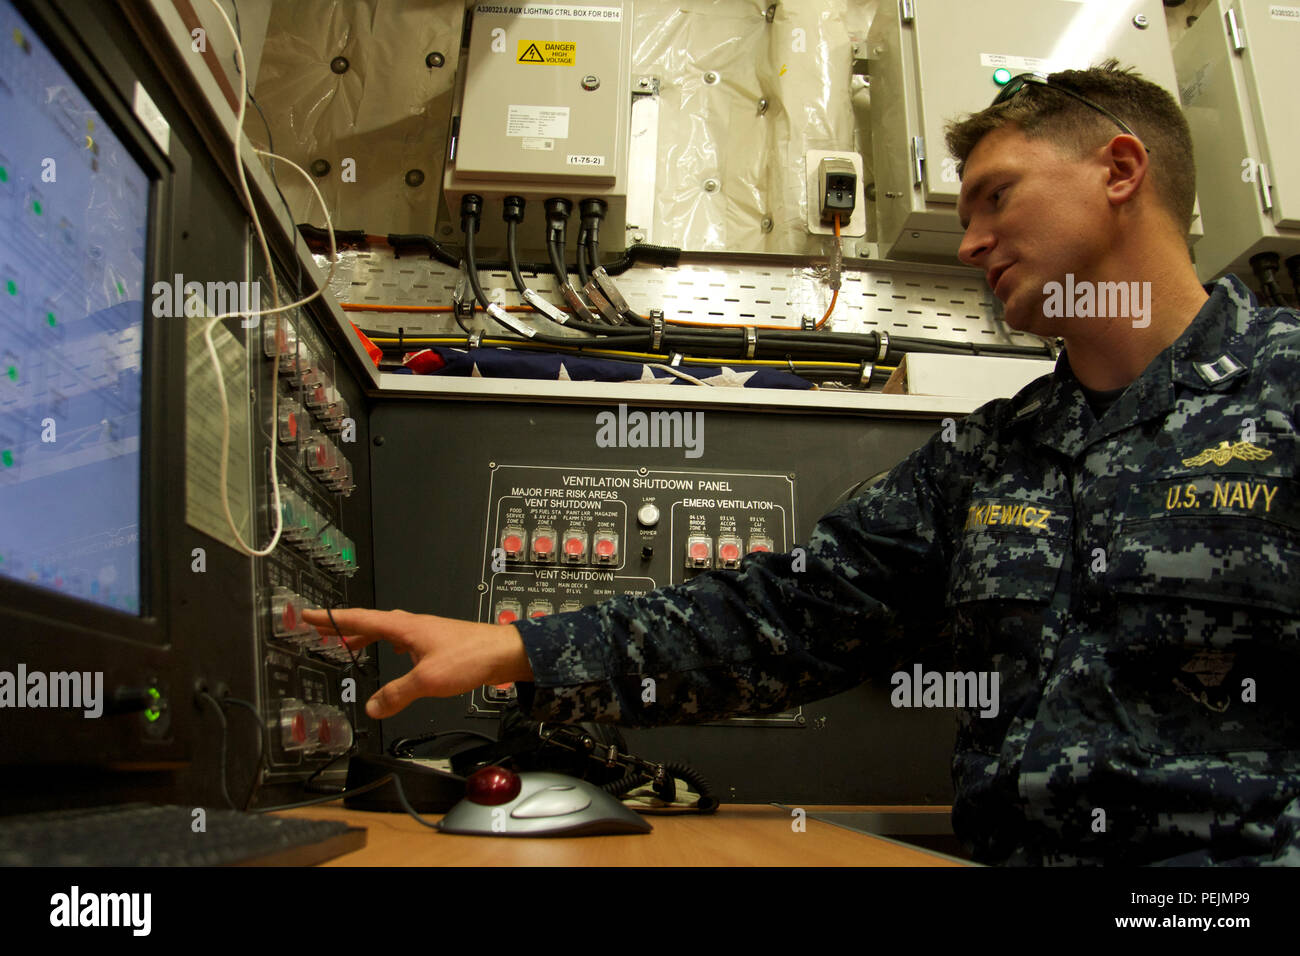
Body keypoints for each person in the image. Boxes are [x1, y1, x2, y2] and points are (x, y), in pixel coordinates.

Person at [304, 62, 1300, 866]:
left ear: (1119, 170)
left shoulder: (1284, 389)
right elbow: (779, 617)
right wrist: (514, 648)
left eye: (997, 196)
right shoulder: (987, 454)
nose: (969, 242)